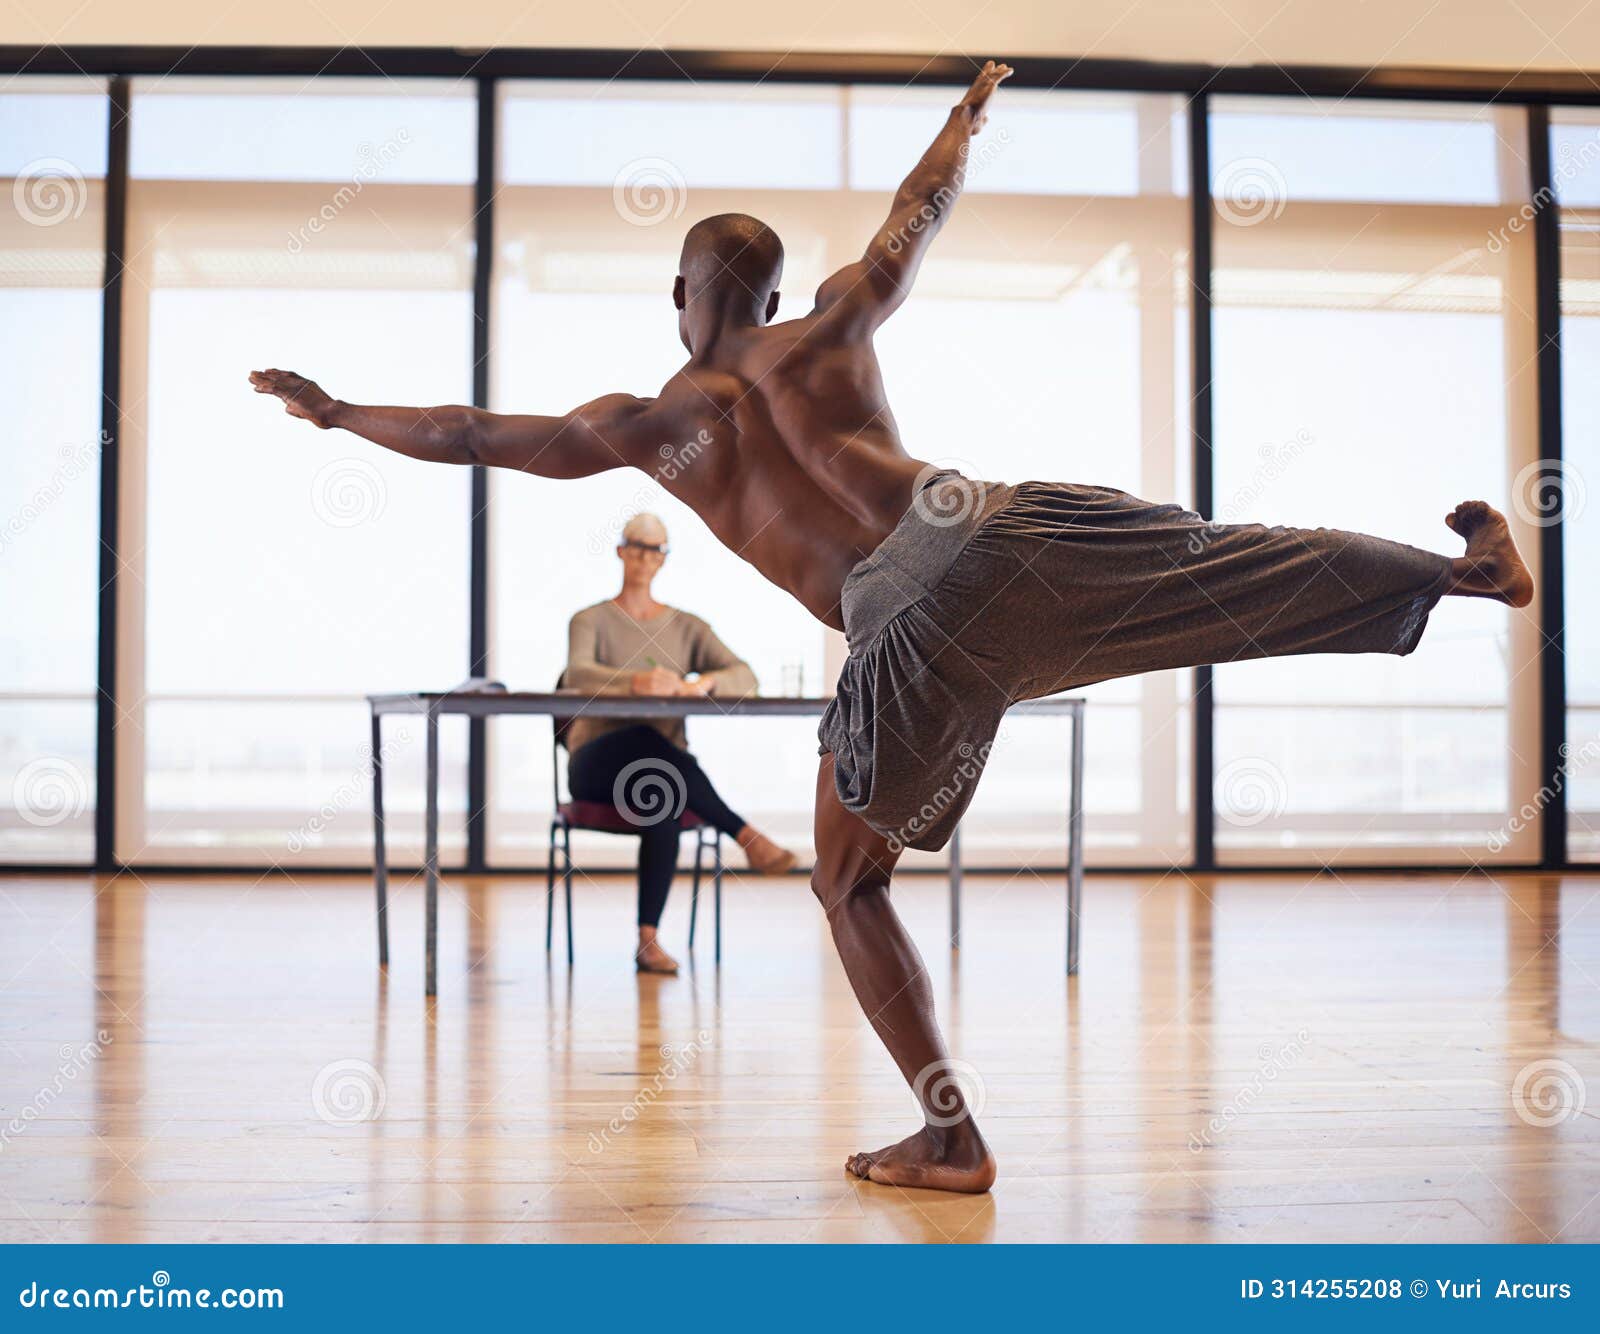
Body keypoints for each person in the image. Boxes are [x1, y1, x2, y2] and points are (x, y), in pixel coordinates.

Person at [251, 59, 1533, 1194]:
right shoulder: (827, 327)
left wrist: (338, 409)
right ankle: (1461, 576)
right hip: (988, 526)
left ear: (681, 292)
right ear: (762, 285)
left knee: (846, 880)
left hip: (900, 626)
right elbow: (907, 226)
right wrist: (964, 124)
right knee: (1218, 568)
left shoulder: (643, 427)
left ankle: (951, 1136)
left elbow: (470, 435)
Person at [562, 510, 798, 975]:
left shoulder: (688, 627)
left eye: (656, 548)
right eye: (638, 545)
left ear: (664, 558)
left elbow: (744, 675)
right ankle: (745, 835)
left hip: (658, 776)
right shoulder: (589, 620)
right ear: (621, 551)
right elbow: (578, 673)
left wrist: (704, 682)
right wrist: (638, 683)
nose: (646, 556)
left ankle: (648, 941)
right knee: (649, 740)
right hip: (595, 766)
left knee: (664, 795)